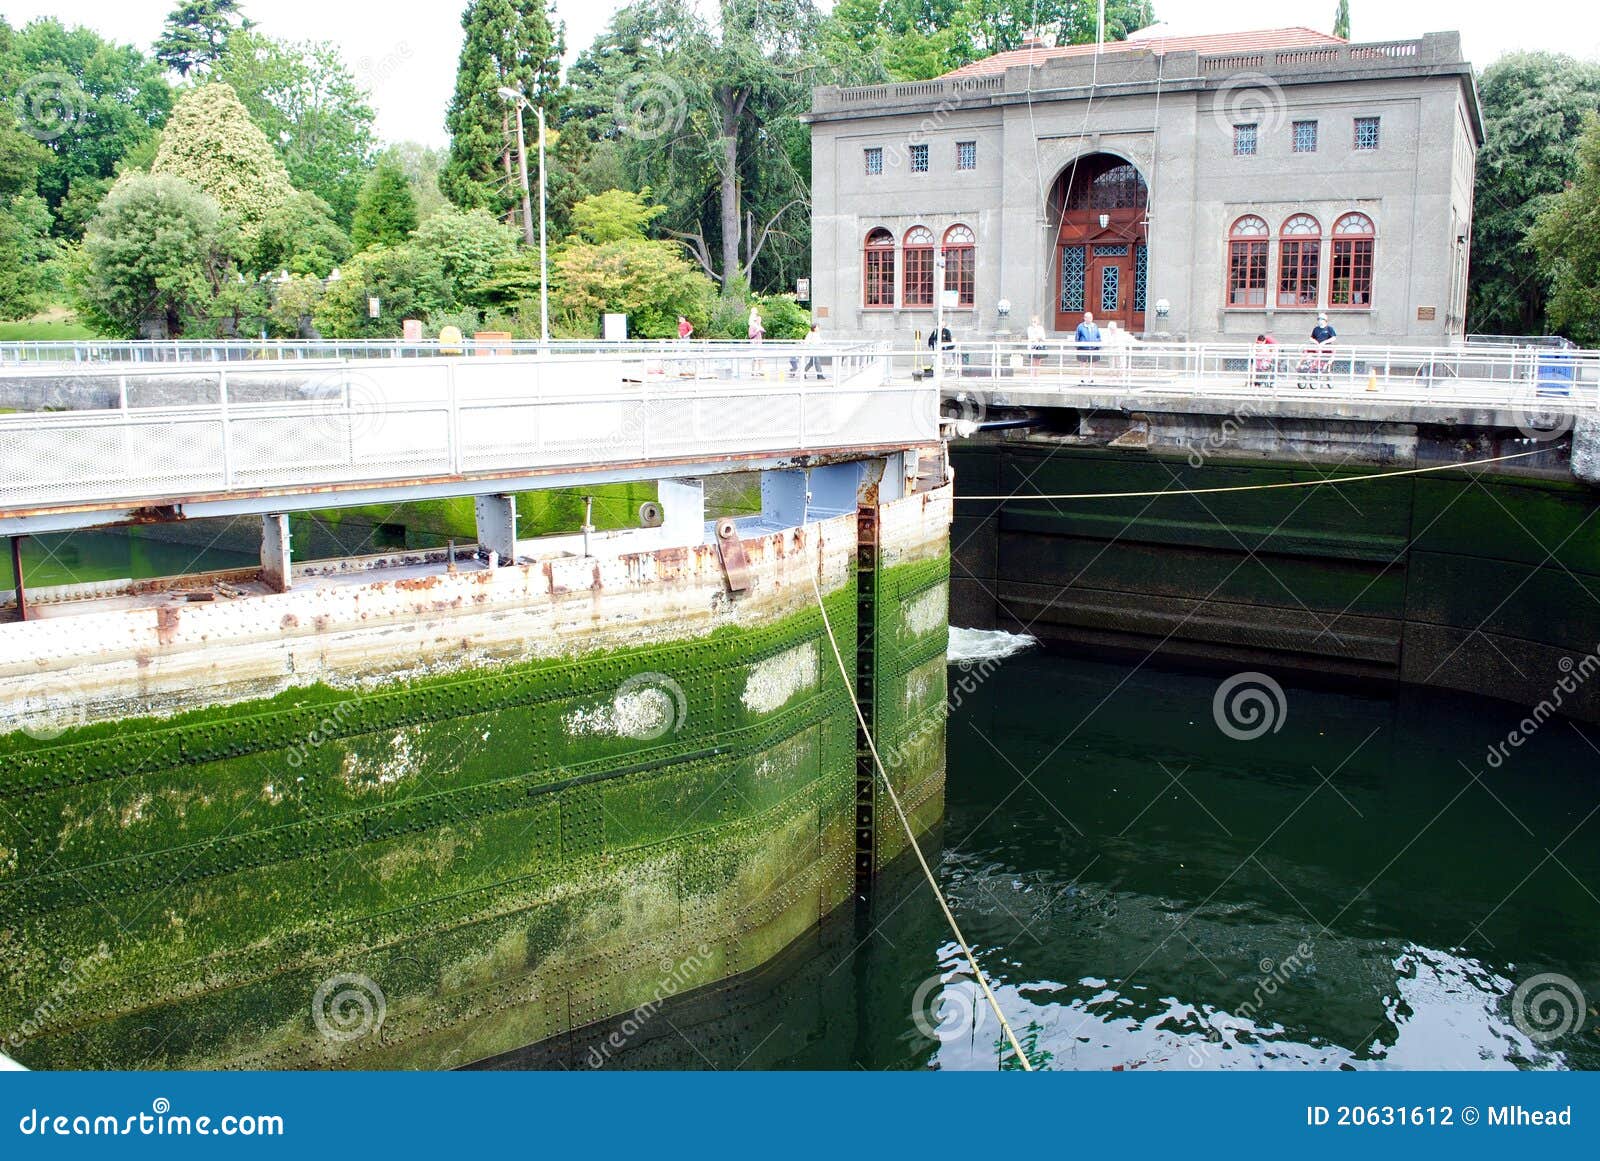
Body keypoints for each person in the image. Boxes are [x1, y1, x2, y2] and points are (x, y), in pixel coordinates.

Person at [1074, 311, 1101, 377]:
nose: (1089, 319)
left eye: (1090, 317)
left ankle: (1091, 378)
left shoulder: (1095, 326)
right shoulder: (1080, 326)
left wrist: (1098, 345)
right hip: (1083, 348)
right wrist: (1077, 346)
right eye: (1087, 317)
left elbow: (1098, 336)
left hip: (1094, 348)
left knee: (1093, 364)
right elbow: (1077, 337)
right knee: (1083, 364)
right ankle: (1082, 378)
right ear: (1084, 318)